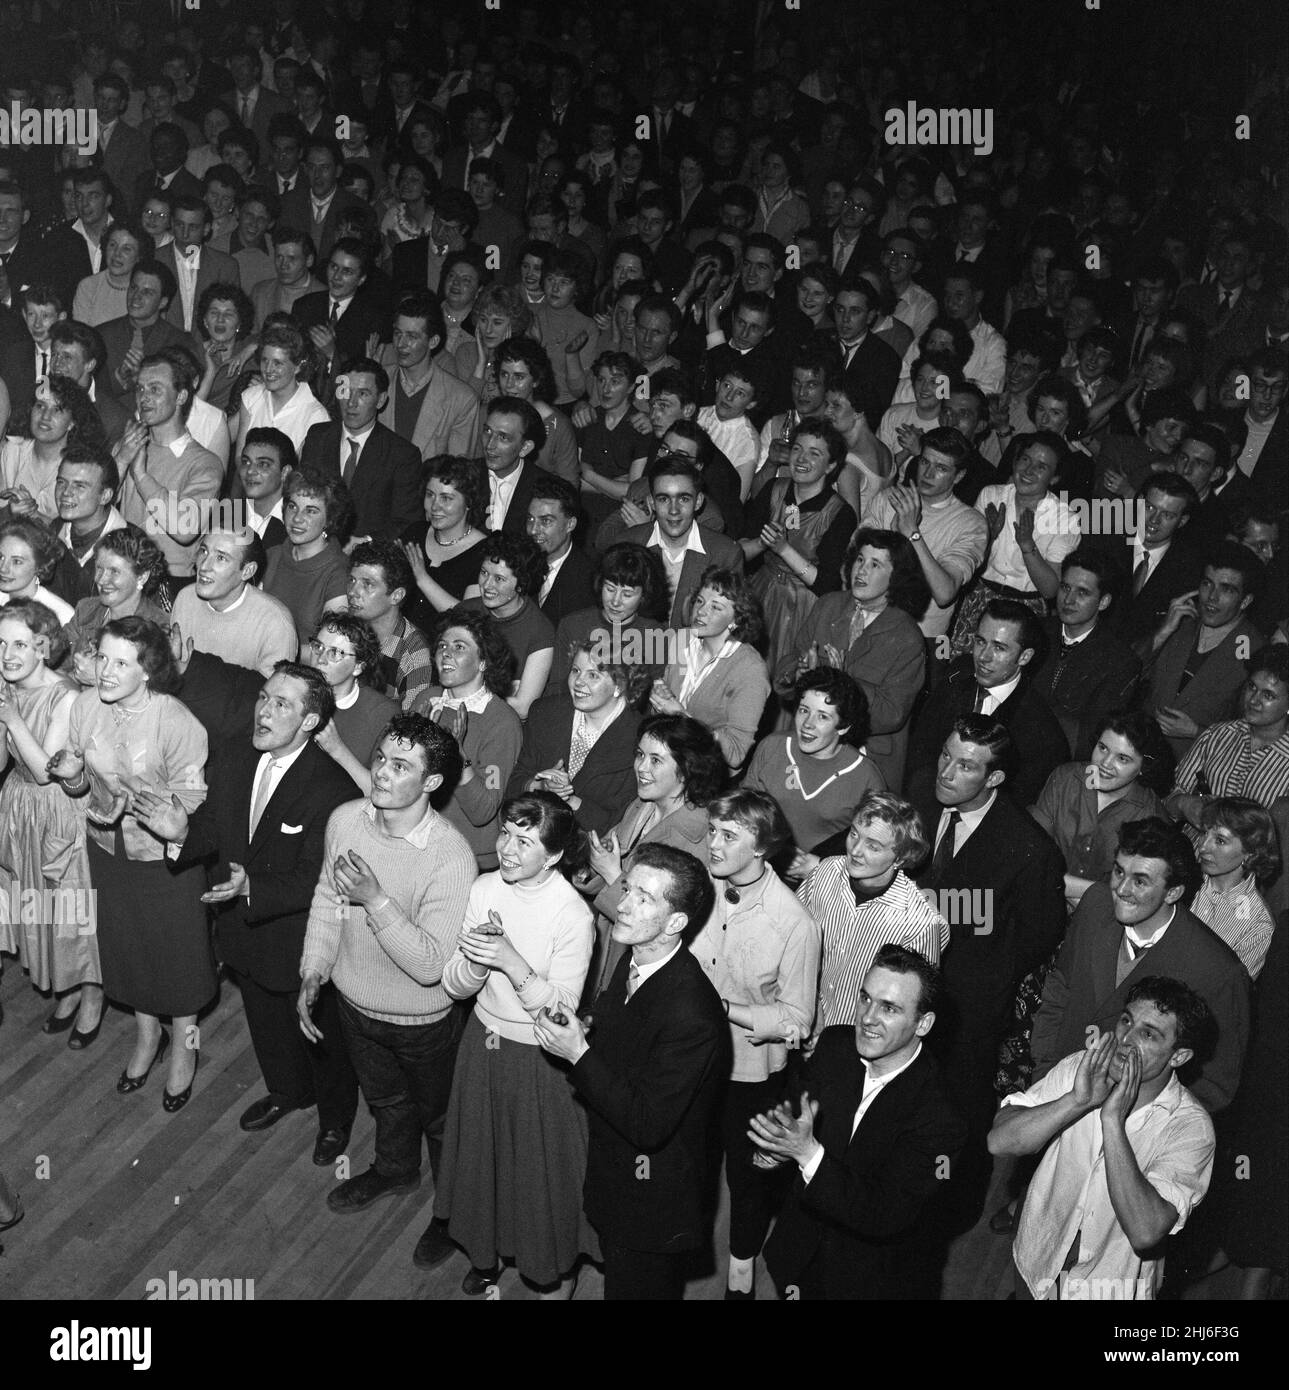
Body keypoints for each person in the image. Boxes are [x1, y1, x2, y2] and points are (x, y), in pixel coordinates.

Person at [133, 661, 360, 1162]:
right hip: (241, 928)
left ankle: (336, 1120)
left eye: (282, 704)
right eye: (264, 697)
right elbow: (214, 827)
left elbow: (317, 878)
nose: (265, 710)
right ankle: (287, 1092)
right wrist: (182, 835)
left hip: (302, 942)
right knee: (265, 1021)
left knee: (321, 1037)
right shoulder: (236, 753)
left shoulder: (332, 787)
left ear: (309, 721)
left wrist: (252, 884)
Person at [417, 792, 595, 1297]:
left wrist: (512, 961)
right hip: (483, 1044)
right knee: (483, 1162)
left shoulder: (572, 916)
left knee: (538, 1174)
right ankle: (486, 1252)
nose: (509, 850)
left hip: (541, 1060)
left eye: (525, 841)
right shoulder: (484, 887)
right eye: (506, 835)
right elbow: (453, 985)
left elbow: (559, 1016)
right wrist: (476, 962)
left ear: (556, 855)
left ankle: (548, 1268)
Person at [534, 842, 729, 1300]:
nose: (622, 904)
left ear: (676, 922)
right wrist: (587, 1030)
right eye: (627, 888)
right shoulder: (638, 956)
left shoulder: (692, 1013)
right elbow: (625, 1036)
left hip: (653, 1203)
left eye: (644, 897)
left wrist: (580, 1052)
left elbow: (648, 1123)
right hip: (616, 1177)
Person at [300, 714, 478, 1215]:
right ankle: (396, 1171)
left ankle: (454, 1213)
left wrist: (375, 900)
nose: (381, 772)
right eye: (380, 758)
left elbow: (430, 965)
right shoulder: (345, 820)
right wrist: (314, 967)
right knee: (386, 1104)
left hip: (423, 1023)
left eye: (401, 766)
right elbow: (326, 898)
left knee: (442, 1120)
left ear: (432, 782)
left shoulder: (451, 857)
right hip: (355, 1008)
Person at [910, 716, 1067, 1228]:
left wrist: (979, 978)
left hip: (966, 1006)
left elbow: (1038, 935)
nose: (948, 773)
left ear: (994, 779)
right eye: (946, 756)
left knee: (958, 1110)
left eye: (967, 766)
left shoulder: (1027, 847)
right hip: (896, 980)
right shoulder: (918, 800)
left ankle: (950, 1216)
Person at [49, 618, 211, 1111]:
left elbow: (194, 800)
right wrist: (73, 779)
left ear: (148, 671)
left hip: (165, 862)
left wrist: (170, 819)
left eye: (122, 661)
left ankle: (185, 1046)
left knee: (177, 959)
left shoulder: (175, 719)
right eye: (102, 657)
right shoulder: (85, 706)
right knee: (128, 949)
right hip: (108, 853)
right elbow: (80, 784)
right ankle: (146, 1036)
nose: (106, 670)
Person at [757, 946, 967, 1300]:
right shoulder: (836, 1046)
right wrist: (773, 1151)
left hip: (865, 1281)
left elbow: (883, 1213)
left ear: (924, 1023)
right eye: (865, 999)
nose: (868, 1018)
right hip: (796, 1257)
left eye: (889, 1008)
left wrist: (806, 1153)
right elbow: (793, 1116)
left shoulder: (941, 1118)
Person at [992, 977, 1216, 1301]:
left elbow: (1145, 1231)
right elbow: (1000, 1141)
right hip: (1039, 1254)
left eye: (1148, 1034)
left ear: (1178, 1057)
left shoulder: (1191, 1128)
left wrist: (1112, 1120)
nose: (1126, 1039)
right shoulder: (1081, 1068)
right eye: (1127, 1020)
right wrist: (1076, 1102)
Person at [692, 790, 821, 1299]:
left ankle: (740, 1275)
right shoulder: (700, 886)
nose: (714, 844)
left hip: (749, 1072)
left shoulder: (793, 922)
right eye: (713, 832)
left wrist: (726, 1009)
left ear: (763, 848)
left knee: (746, 1181)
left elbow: (796, 1020)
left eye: (729, 836)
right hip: (691, 1058)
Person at [1029, 818, 1250, 1114]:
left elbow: (1213, 1087)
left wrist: (1135, 1123)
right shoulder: (1096, 904)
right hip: (1057, 1093)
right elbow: (1060, 987)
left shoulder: (1218, 971)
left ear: (1173, 892)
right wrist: (1045, 1072)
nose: (1121, 889)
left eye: (1140, 881)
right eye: (1119, 871)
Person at [0, 601, 101, 1045]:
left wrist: (12, 718)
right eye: (0, 645)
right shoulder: (9, 688)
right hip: (21, 807)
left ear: (43, 647)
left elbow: (46, 770)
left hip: (58, 811)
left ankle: (92, 992)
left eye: (20, 644)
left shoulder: (67, 695)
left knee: (71, 911)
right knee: (38, 907)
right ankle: (68, 988)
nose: (7, 654)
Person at [577, 713, 725, 1002]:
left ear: (685, 771)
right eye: (640, 755)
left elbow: (658, 923)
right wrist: (589, 870)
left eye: (656, 760)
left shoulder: (697, 838)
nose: (641, 768)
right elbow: (608, 856)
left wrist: (609, 874)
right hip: (609, 946)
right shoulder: (641, 805)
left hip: (645, 969)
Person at [776, 529, 929, 792]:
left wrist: (843, 683)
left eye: (875, 564)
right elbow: (785, 670)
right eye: (860, 559)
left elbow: (891, 714)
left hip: (867, 755)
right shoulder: (828, 605)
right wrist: (800, 673)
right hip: (811, 742)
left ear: (897, 577)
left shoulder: (908, 636)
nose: (861, 570)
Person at [796, 791, 949, 1047]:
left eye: (873, 846)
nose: (855, 851)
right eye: (854, 834)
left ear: (900, 858)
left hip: (859, 1045)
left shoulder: (919, 922)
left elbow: (911, 1011)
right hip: (801, 1022)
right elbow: (790, 943)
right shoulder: (824, 872)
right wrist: (811, 1004)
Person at [908, 598, 1071, 807]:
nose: (983, 657)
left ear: (1025, 657)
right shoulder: (956, 678)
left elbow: (1019, 803)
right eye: (980, 641)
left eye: (999, 648)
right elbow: (920, 759)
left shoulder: (1039, 728)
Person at [743, 417, 856, 681]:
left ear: (831, 466)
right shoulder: (774, 489)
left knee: (785, 678)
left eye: (814, 454)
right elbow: (739, 552)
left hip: (804, 607)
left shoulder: (840, 513)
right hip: (761, 592)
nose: (801, 459)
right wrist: (762, 543)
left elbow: (827, 584)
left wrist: (783, 549)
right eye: (797, 449)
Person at [409, 606, 523, 869]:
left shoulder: (502, 722)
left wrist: (456, 757)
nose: (446, 653)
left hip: (467, 857)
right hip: (418, 841)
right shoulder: (427, 699)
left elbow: (483, 810)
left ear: (483, 662)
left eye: (459, 647)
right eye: (442, 646)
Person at [950, 431, 1081, 654]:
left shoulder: (1064, 518)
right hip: (979, 598)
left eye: (1041, 467)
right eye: (1025, 460)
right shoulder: (991, 495)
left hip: (1026, 609)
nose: (1028, 471)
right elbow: (967, 565)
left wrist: (1027, 545)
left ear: (1055, 477)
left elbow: (1050, 590)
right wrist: (989, 535)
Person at [745, 668, 884, 872]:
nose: (807, 724)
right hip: (760, 866)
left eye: (823, 717)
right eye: (804, 710)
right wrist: (774, 851)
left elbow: (877, 850)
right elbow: (742, 813)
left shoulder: (865, 776)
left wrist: (822, 867)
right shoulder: (772, 747)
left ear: (843, 727)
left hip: (825, 880)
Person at [1032, 711, 1175, 909]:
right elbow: (1032, 855)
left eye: (1123, 758)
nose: (1105, 763)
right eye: (1103, 748)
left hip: (1100, 913)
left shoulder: (1152, 817)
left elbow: (1132, 896)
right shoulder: (1065, 779)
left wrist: (1064, 887)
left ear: (1143, 766)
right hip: (1037, 896)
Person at [866, 427, 989, 654]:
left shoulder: (971, 524)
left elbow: (944, 594)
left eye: (941, 468)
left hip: (920, 638)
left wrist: (912, 534)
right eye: (924, 462)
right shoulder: (887, 499)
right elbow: (852, 564)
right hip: (868, 622)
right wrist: (894, 539)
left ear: (959, 476)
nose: (928, 474)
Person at [1141, 542, 1265, 763]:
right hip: (1137, 753)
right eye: (1208, 584)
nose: (1212, 597)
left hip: (1193, 771)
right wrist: (1163, 632)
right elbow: (1126, 675)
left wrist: (1197, 732)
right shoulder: (1180, 621)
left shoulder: (1254, 652)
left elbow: (1254, 739)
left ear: (1245, 600)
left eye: (1227, 589)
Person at [508, 639, 647, 836]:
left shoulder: (640, 739)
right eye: (575, 671)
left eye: (593, 675)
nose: (579, 682)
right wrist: (538, 786)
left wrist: (570, 799)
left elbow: (622, 823)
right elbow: (514, 782)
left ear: (620, 686)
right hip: (534, 836)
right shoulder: (545, 712)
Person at [114, 353, 223, 586]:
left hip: (170, 581)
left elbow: (185, 529)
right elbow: (98, 504)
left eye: (155, 389)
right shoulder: (128, 446)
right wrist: (121, 461)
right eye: (140, 389)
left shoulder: (205, 463)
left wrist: (141, 475)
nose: (144, 398)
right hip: (122, 571)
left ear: (181, 396)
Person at [651, 566, 770, 772]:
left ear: (736, 620)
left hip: (709, 774)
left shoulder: (750, 669)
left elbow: (735, 754)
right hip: (667, 760)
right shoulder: (682, 640)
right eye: (700, 601)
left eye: (716, 607)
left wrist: (681, 716)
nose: (701, 611)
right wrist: (659, 699)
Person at [1029, 547, 1143, 760]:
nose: (1068, 600)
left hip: (1063, 761)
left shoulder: (1120, 662)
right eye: (1065, 587)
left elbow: (1090, 736)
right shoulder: (1035, 631)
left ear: (1103, 602)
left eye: (1082, 592)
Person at [299, 356, 423, 543]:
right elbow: (302, 496)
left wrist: (364, 542)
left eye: (363, 394)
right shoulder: (318, 437)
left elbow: (407, 522)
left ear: (381, 400)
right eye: (346, 392)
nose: (351, 402)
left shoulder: (401, 454)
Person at [170, 527, 297, 676]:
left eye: (221, 558)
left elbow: (270, 696)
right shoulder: (186, 598)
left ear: (247, 571)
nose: (204, 566)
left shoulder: (275, 623)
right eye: (204, 551)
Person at [547, 542, 670, 694]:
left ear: (644, 595)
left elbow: (651, 694)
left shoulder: (655, 634)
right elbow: (556, 688)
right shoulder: (572, 625)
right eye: (610, 589)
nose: (615, 601)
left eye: (627, 594)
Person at [458, 533, 554, 719]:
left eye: (499, 579)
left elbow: (523, 707)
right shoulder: (464, 612)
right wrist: (501, 691)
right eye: (484, 573)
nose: (487, 585)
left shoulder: (540, 631)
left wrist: (465, 684)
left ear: (521, 584)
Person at [62, 526, 172, 679]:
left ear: (141, 577)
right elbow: (57, 654)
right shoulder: (87, 610)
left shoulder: (158, 628)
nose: (101, 580)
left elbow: (151, 693)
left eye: (114, 572)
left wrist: (99, 678)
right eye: (99, 569)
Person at [261, 469, 351, 649]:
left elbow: (328, 649)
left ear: (330, 519)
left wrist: (273, 652)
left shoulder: (339, 571)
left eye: (311, 511)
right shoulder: (273, 555)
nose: (297, 518)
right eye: (293, 506)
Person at [399, 454, 490, 633]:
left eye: (446, 498)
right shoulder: (415, 533)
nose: (435, 506)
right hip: (398, 643)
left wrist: (422, 578)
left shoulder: (484, 551)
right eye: (430, 495)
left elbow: (468, 620)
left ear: (468, 502)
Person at [1192, 797, 1279, 979]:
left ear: (1251, 852)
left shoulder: (1258, 927)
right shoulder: (1185, 881)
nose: (1203, 847)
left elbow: (1229, 995)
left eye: (1220, 840)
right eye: (1204, 833)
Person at [0, 375, 106, 525]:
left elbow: (78, 532)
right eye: (40, 406)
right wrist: (9, 512)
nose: (45, 416)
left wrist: (32, 514)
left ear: (72, 423)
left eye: (57, 409)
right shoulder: (12, 451)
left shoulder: (80, 468)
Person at [344, 540, 434, 710]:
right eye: (352, 580)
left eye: (367, 584)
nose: (352, 592)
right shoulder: (341, 630)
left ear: (396, 596)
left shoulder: (414, 656)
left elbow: (409, 729)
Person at [234, 321, 331, 458]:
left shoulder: (316, 415)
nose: (268, 369)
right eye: (264, 361)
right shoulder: (251, 397)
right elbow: (240, 458)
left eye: (277, 363)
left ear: (297, 366)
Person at [0, 519, 76, 626]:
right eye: (1, 557)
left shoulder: (61, 615)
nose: (3, 568)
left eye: (17, 561)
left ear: (40, 566)